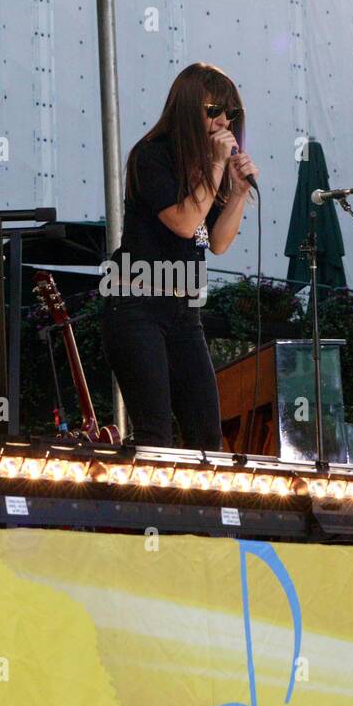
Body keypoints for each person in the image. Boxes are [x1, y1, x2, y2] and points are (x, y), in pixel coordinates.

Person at [99, 63, 258, 449]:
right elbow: (186, 223)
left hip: (185, 310)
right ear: (188, 109)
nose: (223, 121)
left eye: (230, 113)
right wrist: (219, 166)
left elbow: (217, 242)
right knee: (156, 435)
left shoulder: (207, 168)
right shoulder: (151, 156)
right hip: (135, 303)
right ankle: (152, 510)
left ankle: (204, 511)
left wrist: (237, 192)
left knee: (206, 435)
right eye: (213, 111)